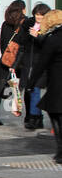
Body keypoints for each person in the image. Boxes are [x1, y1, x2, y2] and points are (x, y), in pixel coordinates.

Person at [27, 9, 62, 163]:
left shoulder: (52, 39)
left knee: (56, 114)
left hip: (57, 83)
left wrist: (31, 82)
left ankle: (61, 151)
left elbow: (42, 63)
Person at [18, 3, 50, 129]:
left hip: (41, 64)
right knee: (29, 90)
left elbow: (48, 45)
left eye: (41, 15)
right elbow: (22, 42)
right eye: (37, 15)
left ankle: (34, 117)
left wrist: (38, 37)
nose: (38, 18)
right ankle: (36, 117)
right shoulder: (27, 24)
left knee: (35, 89)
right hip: (28, 62)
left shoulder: (49, 27)